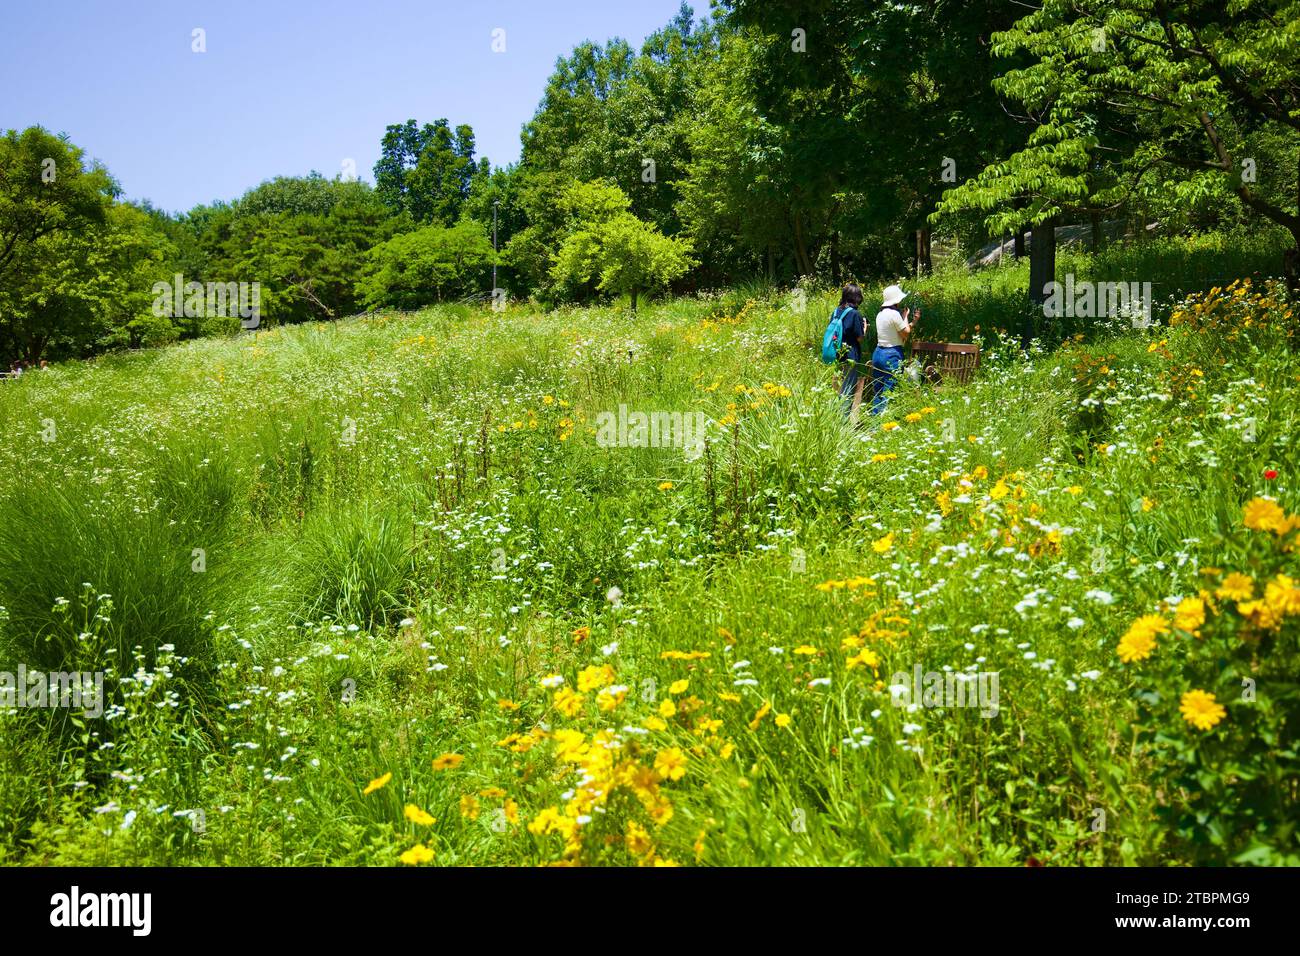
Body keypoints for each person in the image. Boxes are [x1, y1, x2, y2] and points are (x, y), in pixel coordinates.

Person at [871, 284, 919, 415]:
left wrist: (912, 322)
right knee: (890, 389)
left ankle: (874, 422)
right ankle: (885, 421)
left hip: (878, 353)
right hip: (891, 354)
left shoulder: (880, 314)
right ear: (896, 300)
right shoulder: (895, 314)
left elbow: (896, 332)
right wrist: (906, 316)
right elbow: (905, 333)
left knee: (878, 389)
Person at [833, 284, 869, 422]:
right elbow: (859, 338)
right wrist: (864, 328)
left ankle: (836, 417)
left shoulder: (836, 311)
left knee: (839, 387)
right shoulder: (854, 314)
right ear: (857, 298)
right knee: (848, 388)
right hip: (850, 355)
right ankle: (842, 423)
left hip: (837, 354)